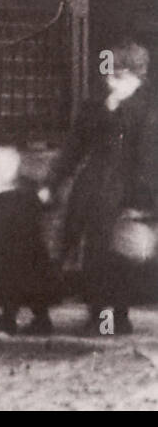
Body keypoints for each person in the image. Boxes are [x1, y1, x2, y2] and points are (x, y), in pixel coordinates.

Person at [41, 40, 158, 336]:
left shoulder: (147, 113)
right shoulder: (95, 107)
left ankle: (117, 317)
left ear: (138, 77)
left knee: (117, 258)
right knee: (89, 254)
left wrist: (141, 204)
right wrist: (52, 181)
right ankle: (98, 314)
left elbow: (148, 162)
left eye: (120, 77)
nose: (111, 82)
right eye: (109, 75)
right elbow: (73, 149)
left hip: (124, 193)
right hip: (91, 189)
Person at [0, 145, 55, 334]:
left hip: (21, 240)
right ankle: (11, 317)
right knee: (10, 278)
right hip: (9, 241)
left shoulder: (20, 183)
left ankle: (39, 319)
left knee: (24, 278)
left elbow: (46, 202)